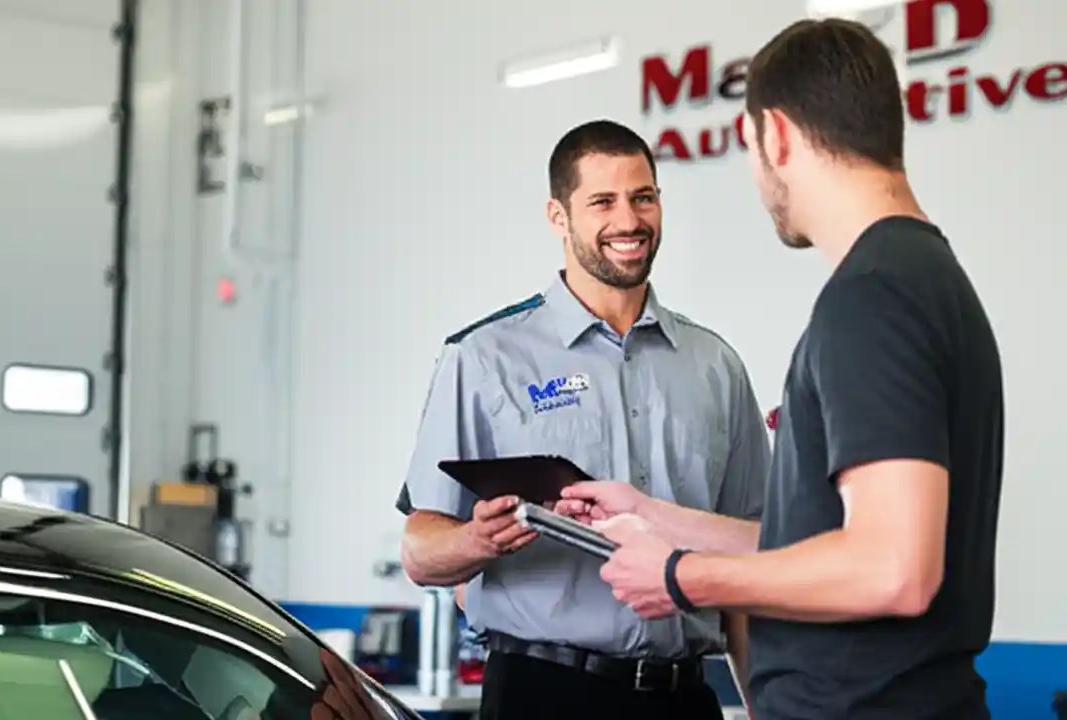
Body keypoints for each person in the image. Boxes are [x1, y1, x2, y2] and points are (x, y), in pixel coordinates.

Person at [560, 18, 1005, 720]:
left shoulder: (873, 297)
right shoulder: (920, 277)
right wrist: (655, 517)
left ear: (776, 135)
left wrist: (680, 578)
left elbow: (895, 570)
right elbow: (822, 542)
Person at [394, 119, 770, 719]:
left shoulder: (716, 366)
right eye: (603, 201)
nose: (628, 221)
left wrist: (766, 709)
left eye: (642, 197)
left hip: (683, 698)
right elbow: (419, 552)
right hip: (542, 695)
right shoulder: (484, 358)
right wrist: (477, 539)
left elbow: (753, 566)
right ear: (558, 216)